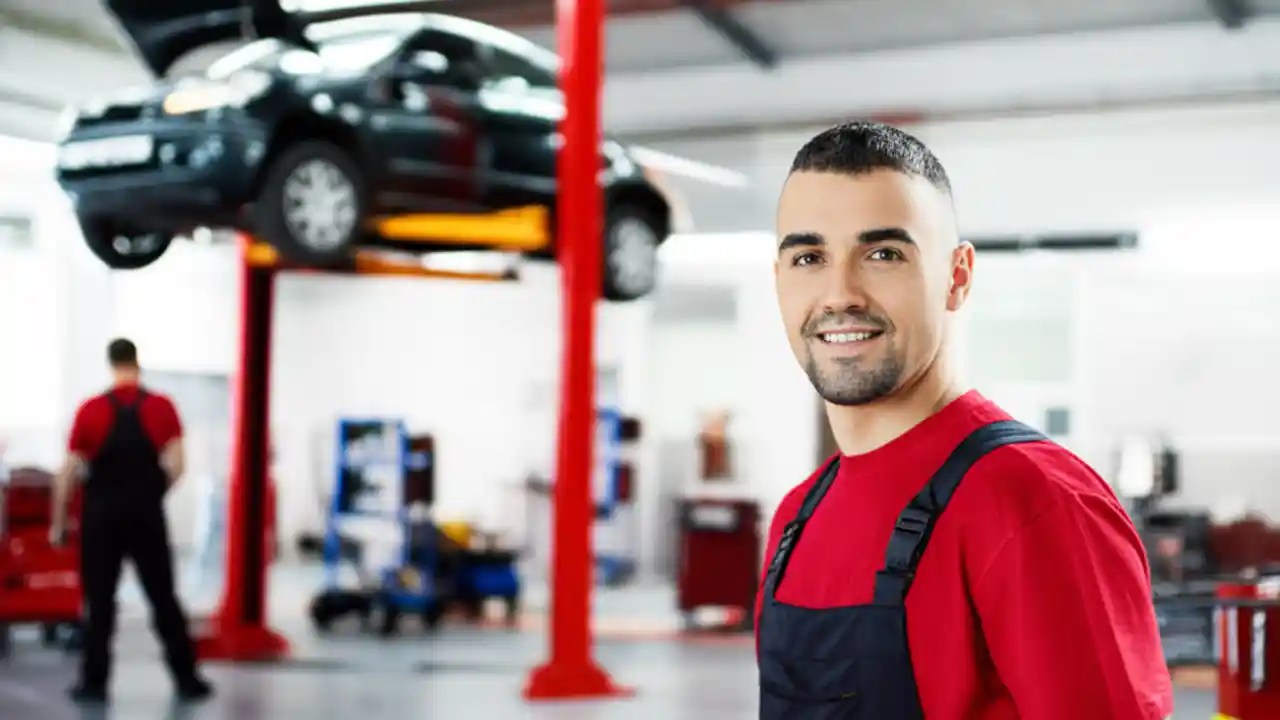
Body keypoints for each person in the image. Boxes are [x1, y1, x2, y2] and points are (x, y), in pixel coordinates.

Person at [755, 122, 1173, 719]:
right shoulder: (797, 517)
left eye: (882, 254)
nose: (839, 293)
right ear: (779, 281)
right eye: (809, 256)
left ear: (957, 276)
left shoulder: (1035, 501)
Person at [50, 338, 213, 704]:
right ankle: (187, 680)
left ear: (110, 364)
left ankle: (94, 685)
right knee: (163, 599)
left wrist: (58, 525)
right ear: (138, 364)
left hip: (101, 520)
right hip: (146, 518)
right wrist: (151, 495)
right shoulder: (161, 407)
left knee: (100, 603)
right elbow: (178, 465)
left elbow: (67, 473)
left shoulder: (90, 409)